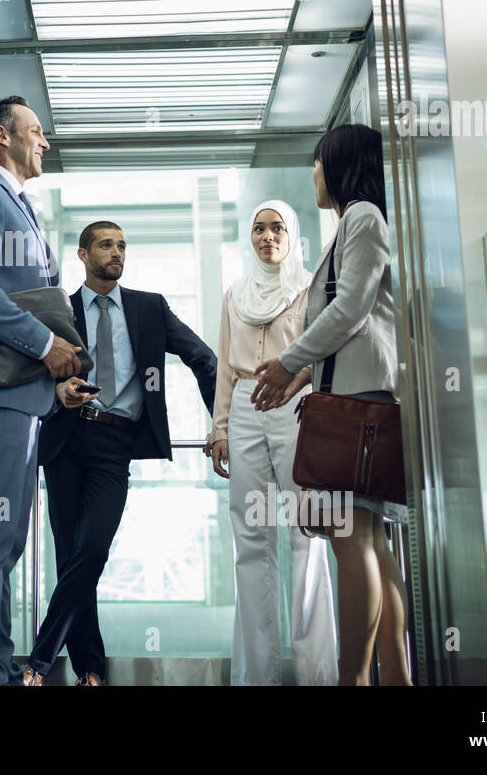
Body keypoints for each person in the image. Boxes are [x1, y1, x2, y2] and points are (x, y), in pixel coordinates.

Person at [250, 124, 412, 686]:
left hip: (358, 404)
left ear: (340, 166)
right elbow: (343, 322)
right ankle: (393, 676)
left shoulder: (362, 216)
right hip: (356, 396)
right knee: (370, 541)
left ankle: (356, 679)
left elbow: (351, 310)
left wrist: (292, 361)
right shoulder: (357, 221)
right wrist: (303, 375)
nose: (313, 175)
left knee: (353, 540)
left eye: (317, 164)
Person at [21, 221, 216, 686]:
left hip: (114, 445)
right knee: (70, 555)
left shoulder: (150, 308)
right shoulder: (60, 310)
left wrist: (223, 423)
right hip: (66, 441)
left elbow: (203, 357)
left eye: (122, 245)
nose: (117, 252)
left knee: (92, 548)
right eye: (106, 245)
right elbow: (32, 375)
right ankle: (90, 670)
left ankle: (40, 660)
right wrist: (58, 390)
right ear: (83, 255)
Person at [0, 95, 83, 686]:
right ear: (0, 136)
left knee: (8, 541)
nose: (44, 142)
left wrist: (56, 376)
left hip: (26, 398)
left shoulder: (20, 203)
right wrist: (45, 346)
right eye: (35, 132)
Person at [204, 200, 338, 685]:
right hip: (244, 406)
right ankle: (257, 676)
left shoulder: (310, 287)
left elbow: (325, 351)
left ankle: (318, 675)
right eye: (258, 229)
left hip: (295, 405)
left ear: (291, 233)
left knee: (307, 533)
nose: (267, 237)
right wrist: (219, 428)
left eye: (276, 228)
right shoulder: (235, 293)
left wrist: (299, 379)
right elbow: (224, 364)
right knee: (250, 540)